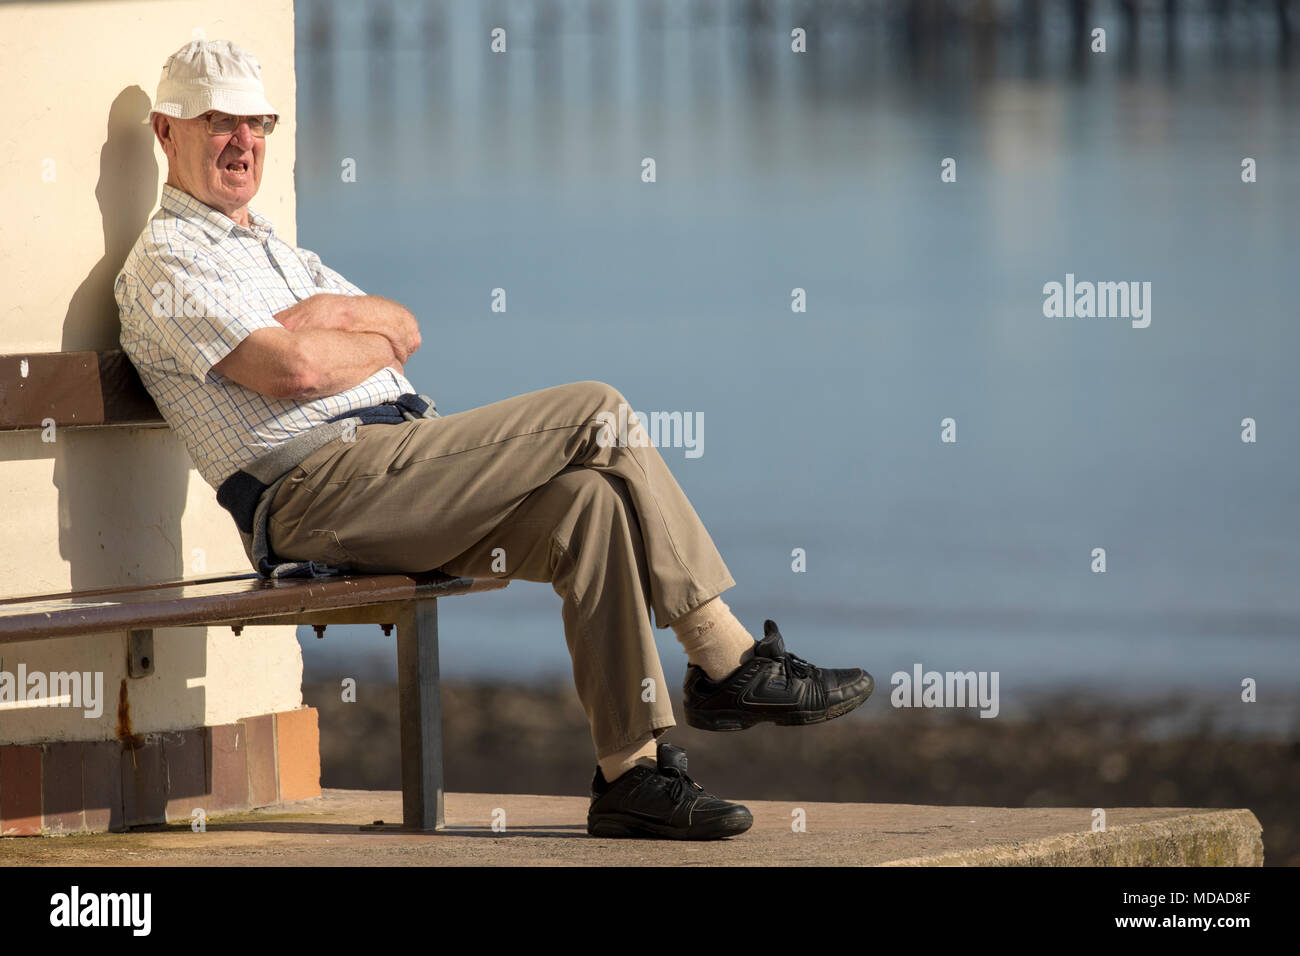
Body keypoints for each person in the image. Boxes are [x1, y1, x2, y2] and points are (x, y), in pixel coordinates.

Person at [115, 39, 874, 841]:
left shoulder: (275, 250)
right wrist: (343, 339)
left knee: (589, 503)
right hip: (315, 493)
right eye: (219, 122)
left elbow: (405, 329)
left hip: (394, 468)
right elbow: (295, 370)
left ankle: (632, 775)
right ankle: (724, 658)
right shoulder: (168, 261)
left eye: (258, 123)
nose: (244, 142)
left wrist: (336, 318)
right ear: (167, 133)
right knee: (598, 411)